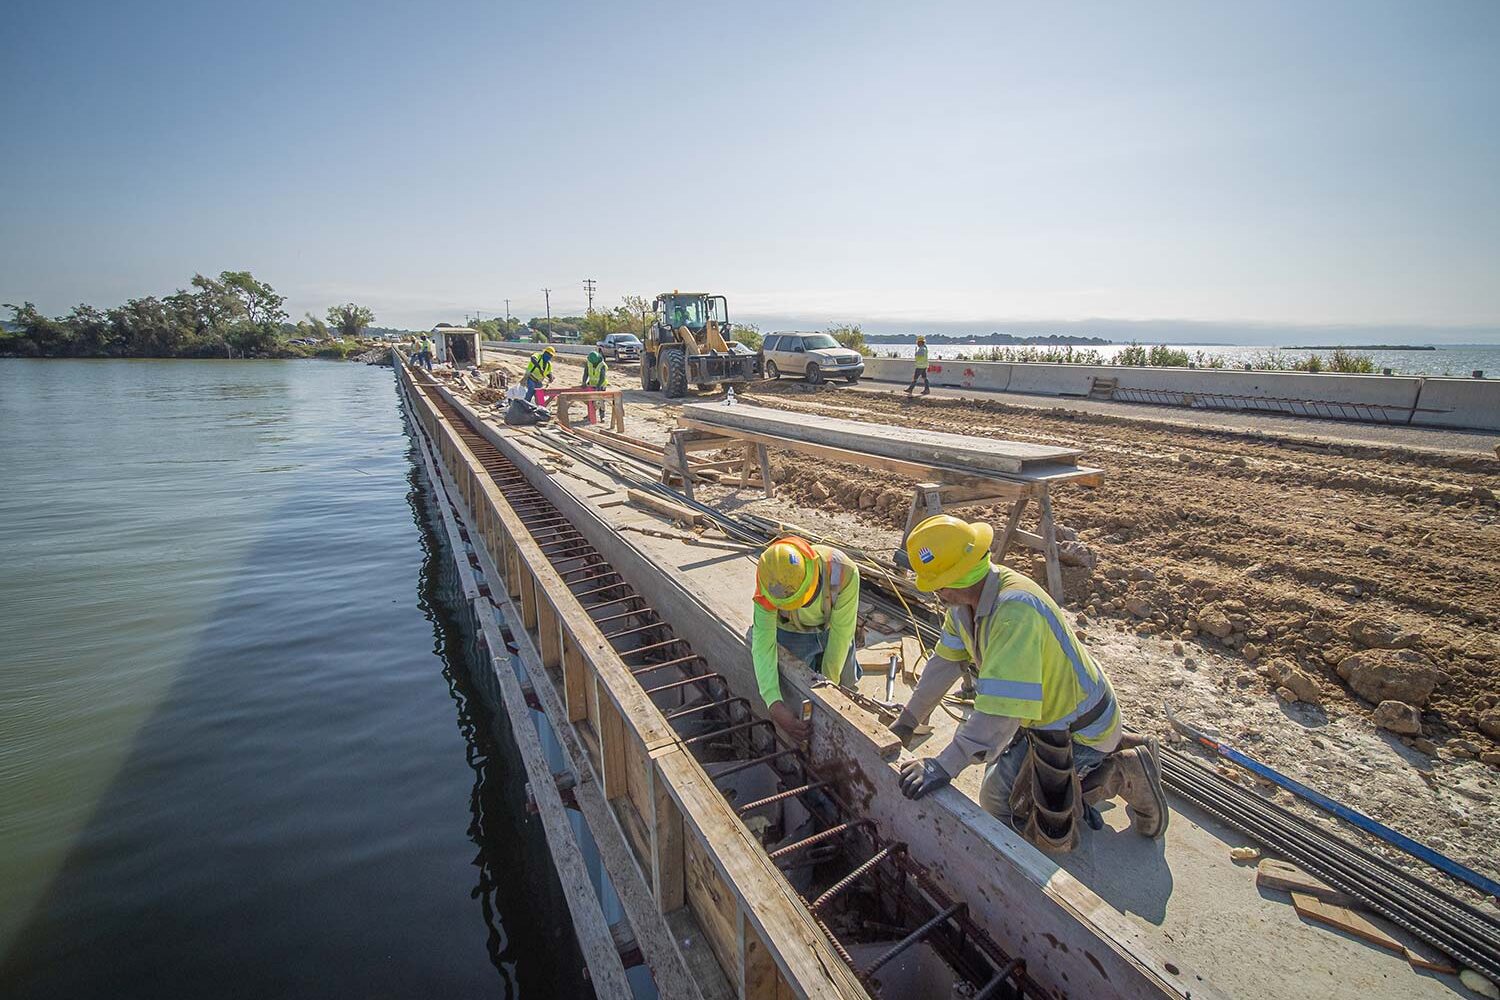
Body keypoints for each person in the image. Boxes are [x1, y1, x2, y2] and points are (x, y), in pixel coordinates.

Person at [891, 515, 1168, 844]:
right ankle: (1101, 760)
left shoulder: (1014, 612)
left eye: (937, 583)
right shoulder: (965, 605)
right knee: (997, 774)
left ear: (956, 577)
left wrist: (943, 765)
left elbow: (1000, 711)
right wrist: (909, 719)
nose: (935, 591)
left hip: (1078, 728)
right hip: (1042, 714)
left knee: (1004, 804)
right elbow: (944, 664)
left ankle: (1120, 772)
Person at [751, 536, 861, 740]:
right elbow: (763, 642)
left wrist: (828, 688)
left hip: (832, 628)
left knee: (845, 686)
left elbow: (842, 633)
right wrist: (773, 702)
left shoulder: (843, 571)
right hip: (791, 631)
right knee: (794, 691)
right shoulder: (769, 582)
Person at [581, 348, 609, 423]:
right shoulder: (589, 363)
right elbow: (586, 373)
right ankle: (590, 414)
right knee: (590, 400)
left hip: (601, 385)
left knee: (600, 401)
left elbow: (602, 378)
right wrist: (584, 382)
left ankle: (602, 416)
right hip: (591, 384)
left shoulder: (602, 365)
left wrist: (598, 387)